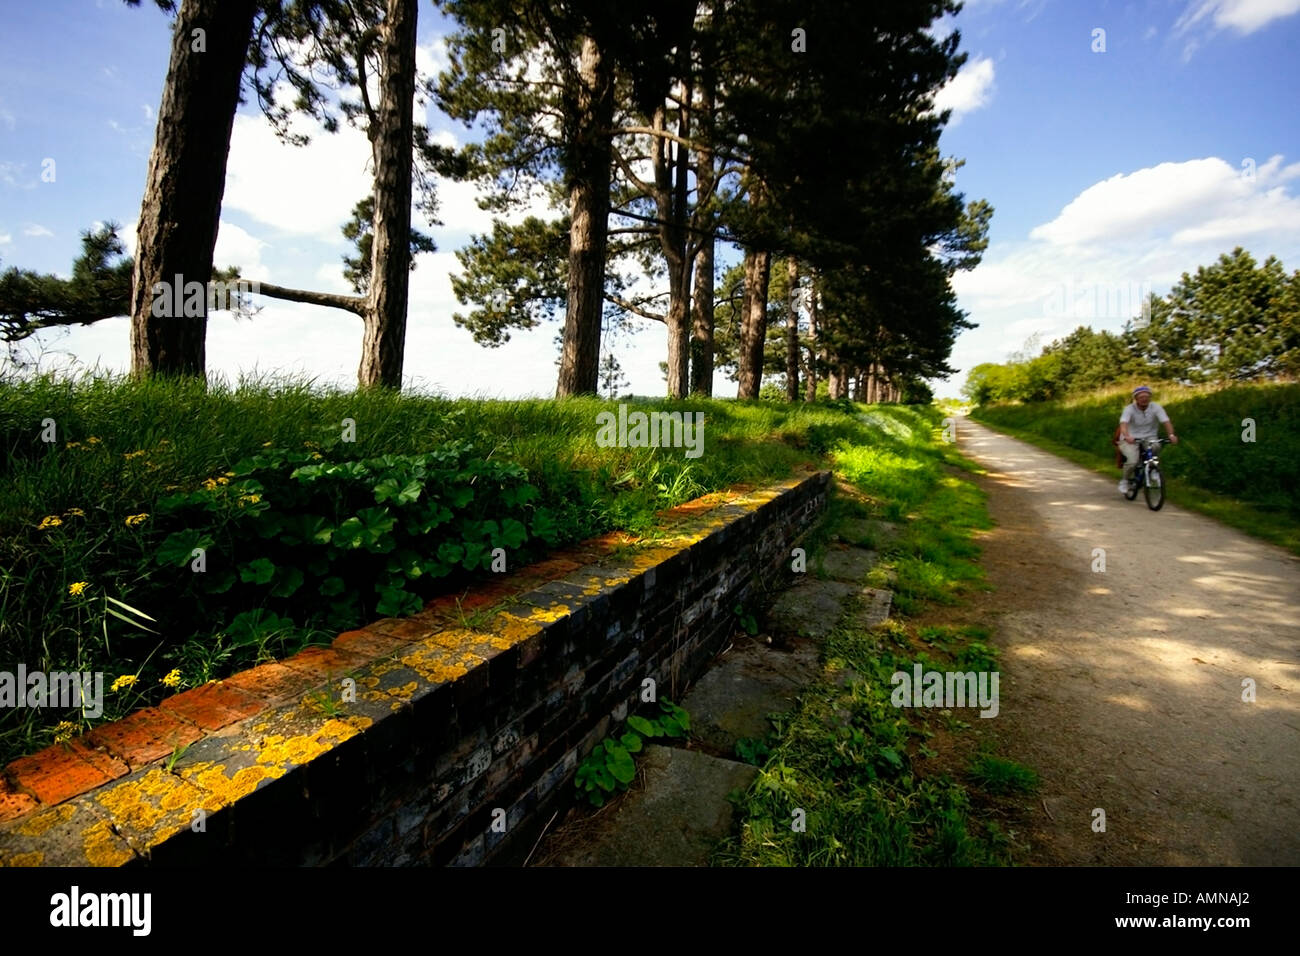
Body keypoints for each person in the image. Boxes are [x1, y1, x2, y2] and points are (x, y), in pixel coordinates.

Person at [1116, 385, 1177, 494]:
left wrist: (1171, 435)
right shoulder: (1129, 409)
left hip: (1150, 436)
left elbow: (1166, 421)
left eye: (1147, 397)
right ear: (1136, 399)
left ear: (1150, 398)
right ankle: (1124, 481)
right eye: (1141, 397)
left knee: (1156, 446)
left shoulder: (1156, 407)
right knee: (1132, 461)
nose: (1144, 399)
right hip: (1131, 437)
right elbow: (1123, 423)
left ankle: (1153, 469)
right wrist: (1126, 436)